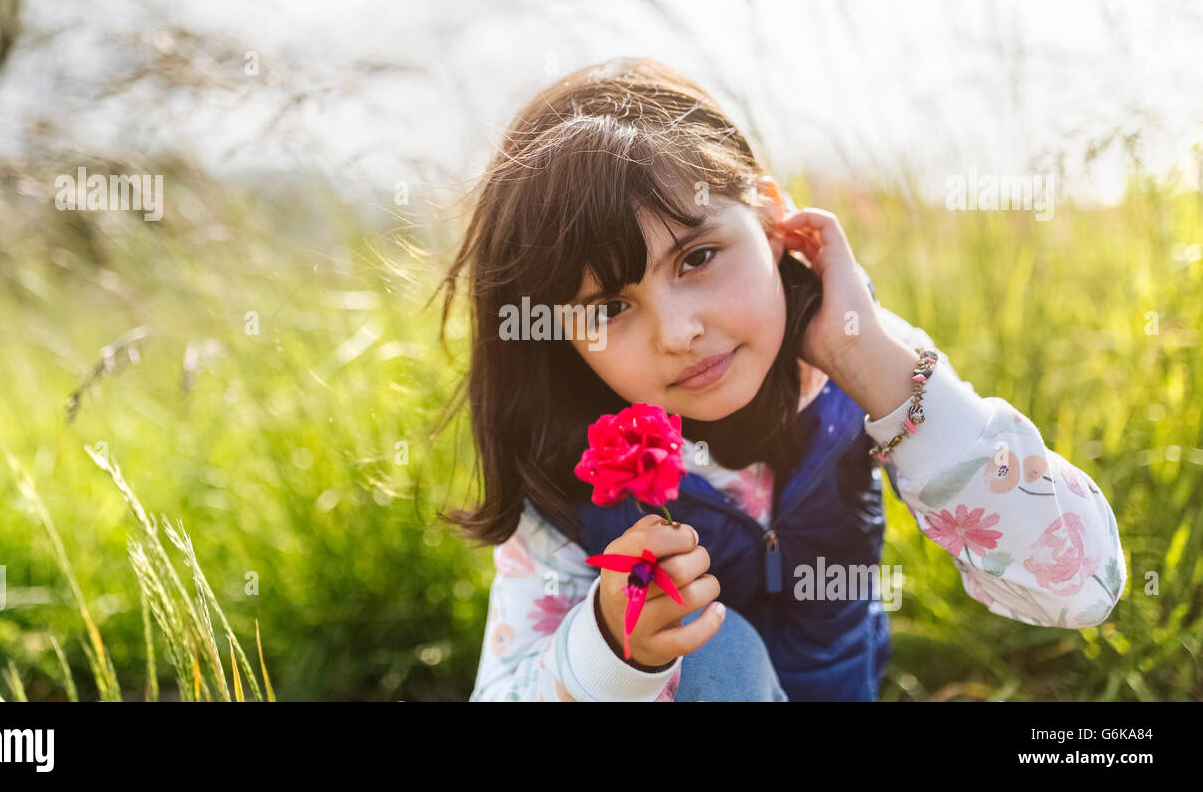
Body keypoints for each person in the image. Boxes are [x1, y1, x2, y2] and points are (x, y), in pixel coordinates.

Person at [432, 57, 1125, 701]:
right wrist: (611, 650)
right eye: (610, 307)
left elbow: (1081, 588)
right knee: (716, 649)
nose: (678, 333)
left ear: (770, 220)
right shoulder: (566, 475)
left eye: (698, 257)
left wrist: (873, 366)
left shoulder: (860, 364)